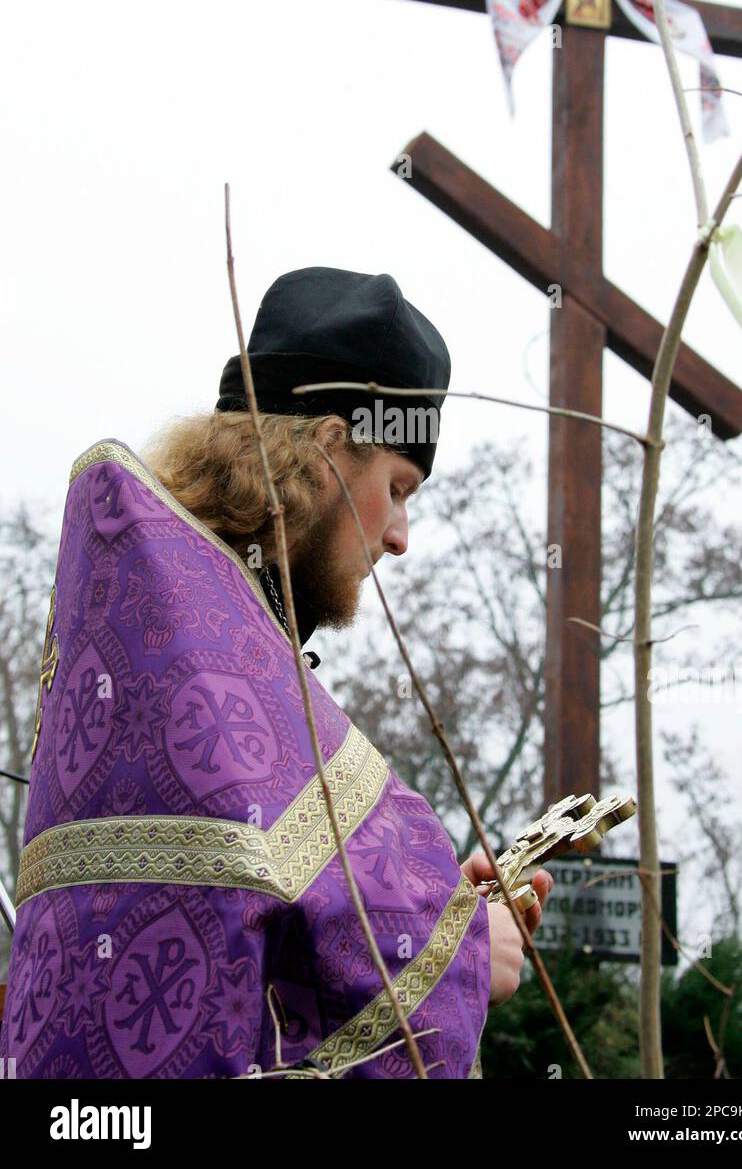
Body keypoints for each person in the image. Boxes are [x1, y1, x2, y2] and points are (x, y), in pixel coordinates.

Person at [0, 266, 552, 1080]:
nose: (400, 535)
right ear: (328, 448)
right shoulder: (210, 660)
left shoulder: (154, 625)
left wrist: (435, 906)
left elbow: (232, 957)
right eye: (396, 487)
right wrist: (463, 951)